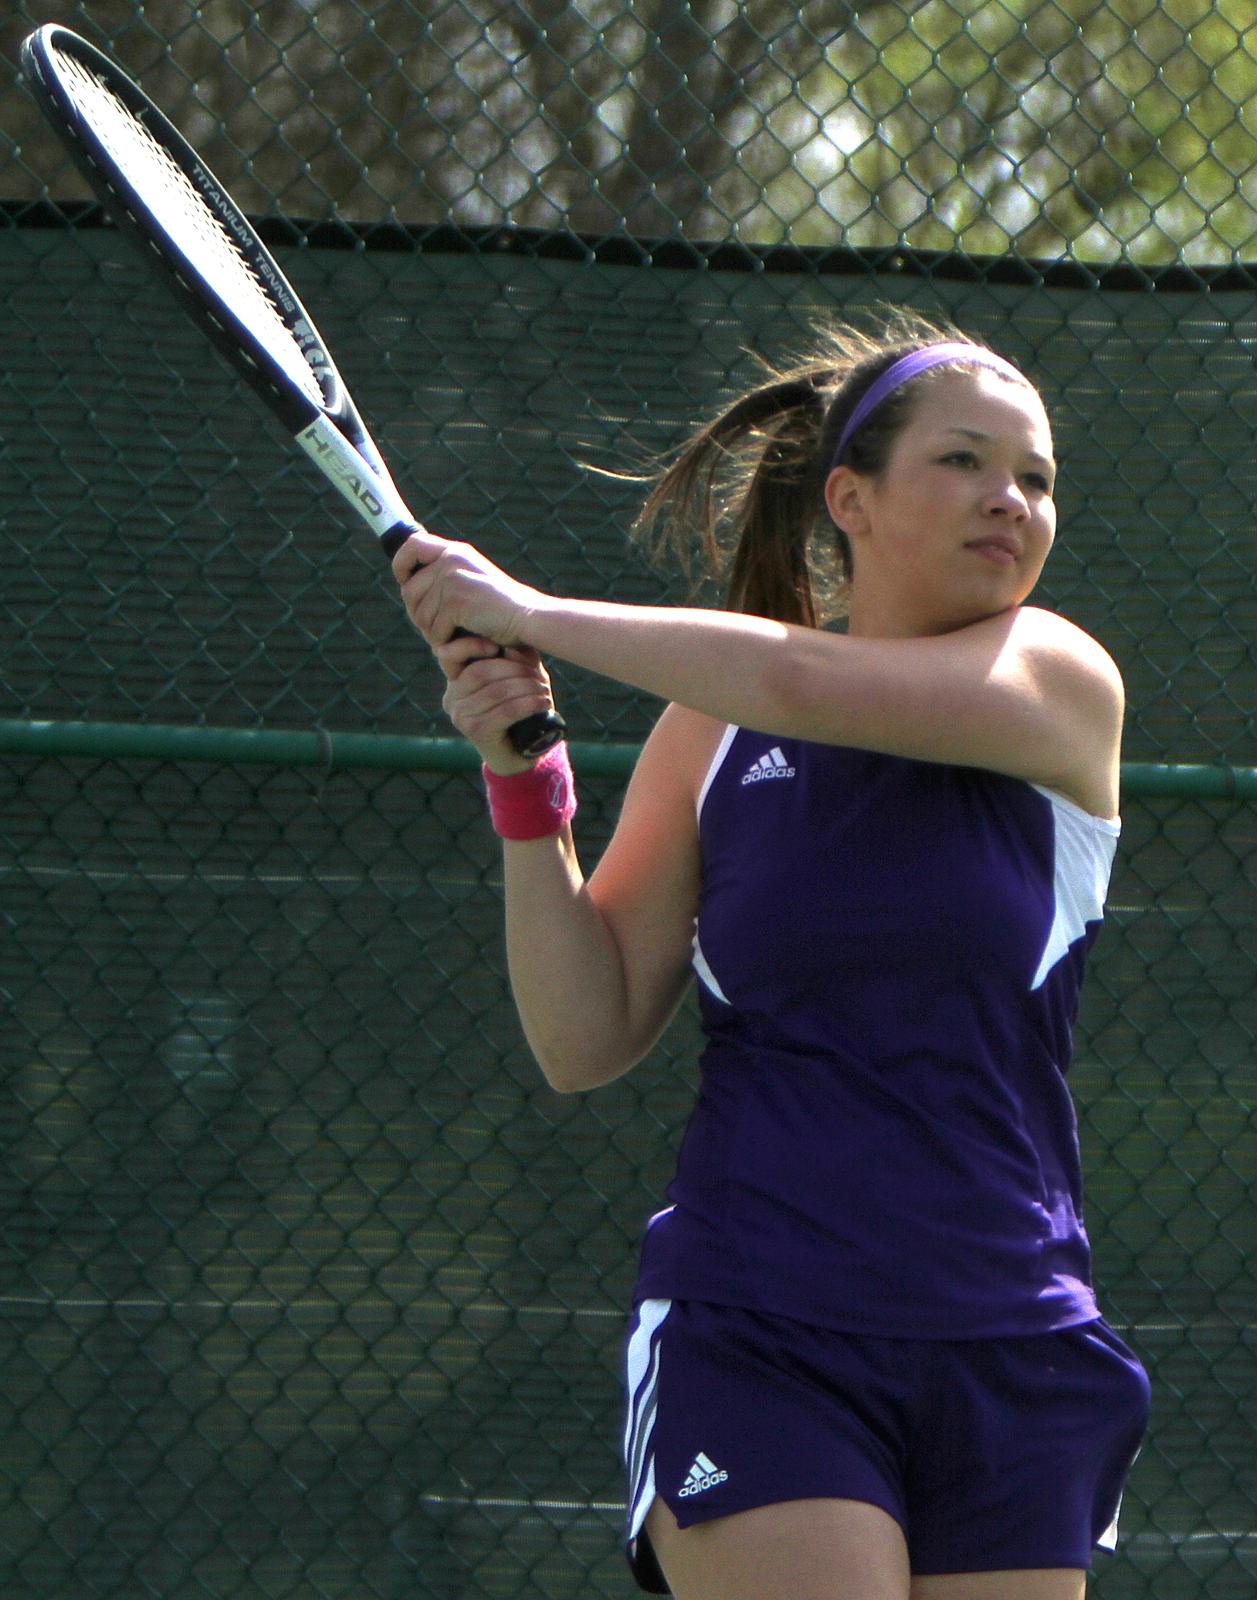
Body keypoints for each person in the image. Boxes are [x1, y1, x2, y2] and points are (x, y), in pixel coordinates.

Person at [392, 311, 1152, 1600]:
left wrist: (528, 612)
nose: (1011, 500)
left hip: (1016, 1333)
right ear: (847, 497)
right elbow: (587, 1037)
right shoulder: (711, 730)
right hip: (760, 1322)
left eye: (1037, 478)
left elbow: (800, 680)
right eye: (965, 462)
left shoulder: (1061, 681)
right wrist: (525, 782)